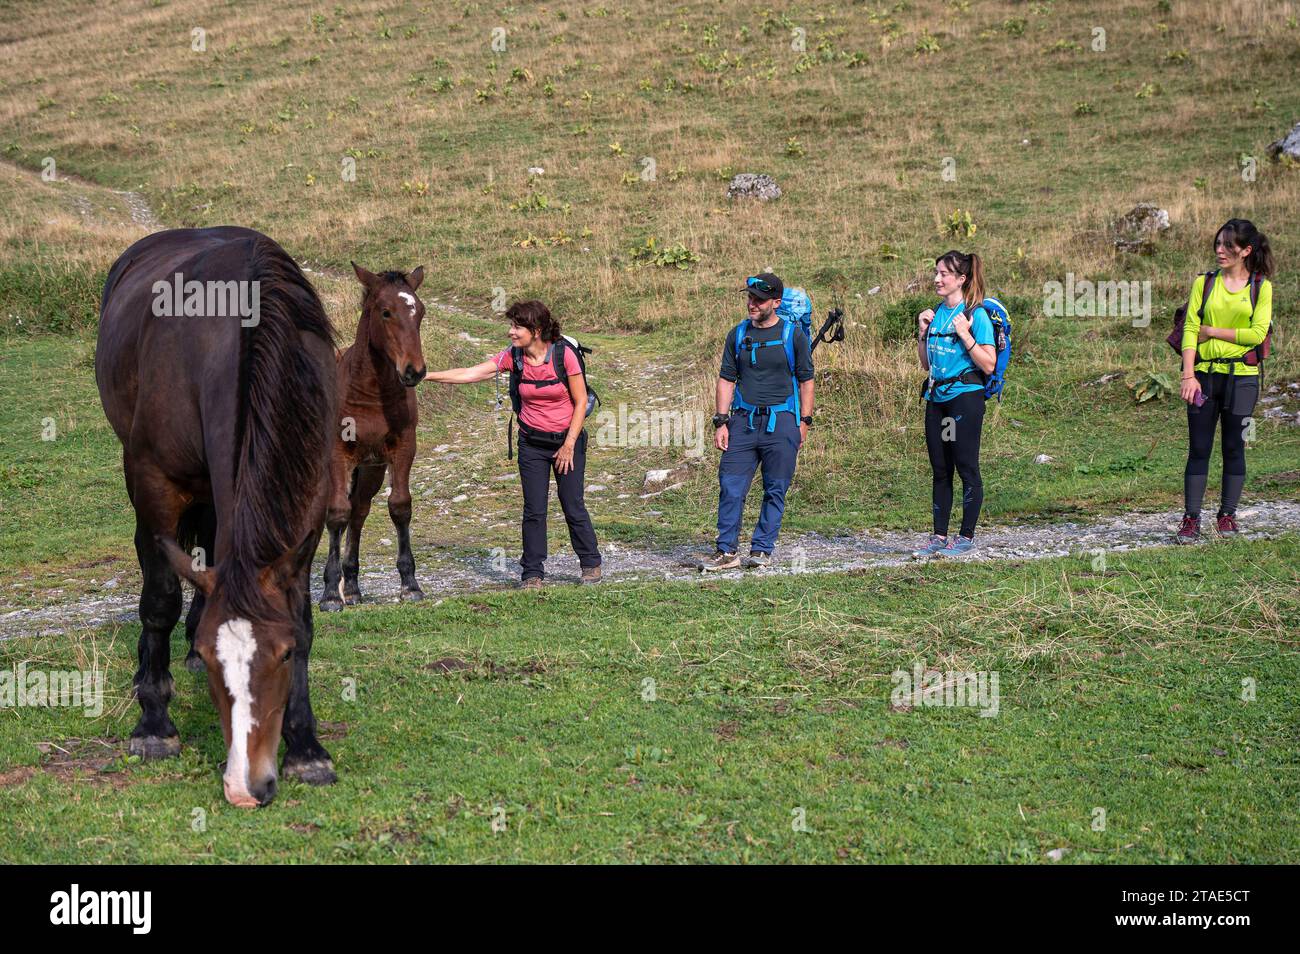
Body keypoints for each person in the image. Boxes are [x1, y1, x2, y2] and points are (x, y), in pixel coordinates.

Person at [425, 300, 602, 587]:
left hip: (566, 442)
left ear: (536, 329)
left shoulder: (564, 355)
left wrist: (569, 444)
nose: (511, 332)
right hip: (531, 443)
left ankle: (591, 563)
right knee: (534, 509)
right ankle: (532, 573)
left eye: (517, 326)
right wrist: (427, 376)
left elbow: (581, 401)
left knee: (572, 504)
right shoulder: (514, 357)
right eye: (511, 325)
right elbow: (473, 372)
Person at [705, 272, 815, 570]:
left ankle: (762, 550)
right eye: (750, 298)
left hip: (782, 423)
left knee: (775, 488)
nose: (752, 304)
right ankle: (726, 551)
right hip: (742, 421)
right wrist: (721, 421)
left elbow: (806, 380)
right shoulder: (737, 335)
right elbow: (727, 379)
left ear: (776, 302)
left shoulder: (794, 336)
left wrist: (803, 422)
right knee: (731, 486)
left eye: (759, 300)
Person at [1176, 219, 1274, 543]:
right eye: (1217, 244)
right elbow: (1190, 328)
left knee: (1235, 448)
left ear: (1246, 250)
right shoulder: (1203, 283)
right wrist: (1188, 375)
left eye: (1228, 246)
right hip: (1203, 376)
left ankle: (1227, 515)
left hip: (1243, 380)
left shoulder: (1262, 287)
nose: (1220, 250)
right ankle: (1191, 519)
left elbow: (1257, 334)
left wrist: (1213, 331)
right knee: (1199, 448)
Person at [911, 251, 996, 559]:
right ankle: (938, 536)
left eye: (944, 274)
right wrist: (922, 335)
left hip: (965, 399)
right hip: (937, 400)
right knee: (941, 468)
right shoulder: (936, 312)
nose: (937, 279)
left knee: (966, 466)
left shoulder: (976, 315)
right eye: (936, 273)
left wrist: (965, 335)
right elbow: (926, 364)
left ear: (961, 279)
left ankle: (966, 537)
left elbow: (988, 364)